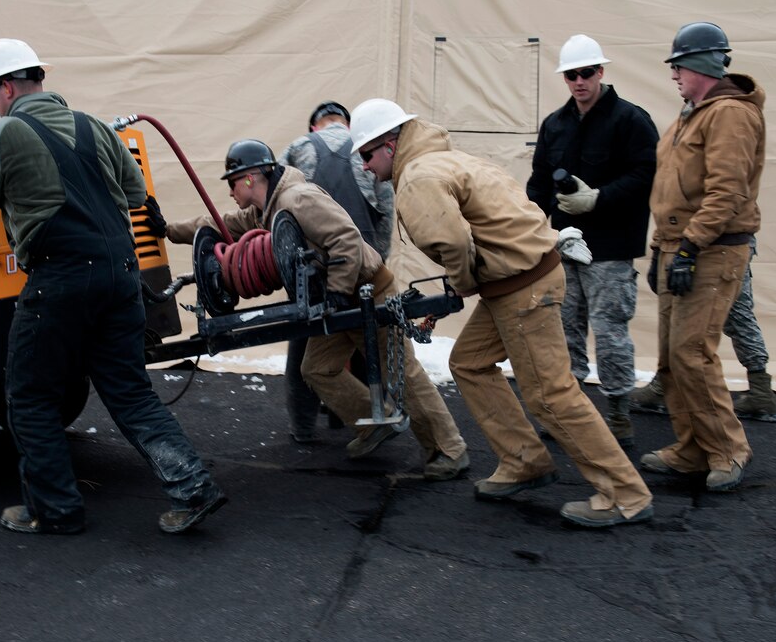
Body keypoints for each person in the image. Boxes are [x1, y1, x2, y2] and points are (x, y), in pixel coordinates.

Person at [0, 38, 226, 535]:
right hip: (122, 277)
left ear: (7, 87)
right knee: (130, 393)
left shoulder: (1, 134)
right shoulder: (95, 127)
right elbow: (136, 192)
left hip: (59, 278)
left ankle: (55, 510)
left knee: (31, 396)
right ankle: (193, 487)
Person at [348, 97, 653, 529]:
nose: (364, 166)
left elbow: (452, 241)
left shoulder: (418, 176)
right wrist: (471, 279)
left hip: (521, 288)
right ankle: (524, 461)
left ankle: (625, 494)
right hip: (523, 279)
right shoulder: (447, 159)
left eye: (366, 154)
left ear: (390, 145)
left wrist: (463, 279)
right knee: (469, 362)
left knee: (551, 395)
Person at [163, 139, 469, 480]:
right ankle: (374, 422)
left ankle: (448, 451)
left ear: (250, 178)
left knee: (401, 371)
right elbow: (222, 224)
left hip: (367, 291)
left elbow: (346, 239)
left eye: (233, 181)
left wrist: (338, 290)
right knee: (318, 369)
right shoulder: (265, 209)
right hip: (337, 296)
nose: (231, 190)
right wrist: (167, 230)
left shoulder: (298, 199)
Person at [639, 22, 761, 492]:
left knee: (694, 353)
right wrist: (659, 251)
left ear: (701, 64)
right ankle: (692, 447)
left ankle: (728, 449)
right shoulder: (693, 114)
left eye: (678, 66)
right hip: (679, 249)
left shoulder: (730, 114)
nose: (673, 74)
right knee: (672, 356)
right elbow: (671, 191)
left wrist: (690, 247)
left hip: (712, 251)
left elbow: (727, 191)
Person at [526, 35, 659, 448]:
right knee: (564, 332)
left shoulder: (631, 121)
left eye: (587, 72)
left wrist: (599, 198)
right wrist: (529, 229)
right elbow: (540, 184)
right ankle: (570, 412)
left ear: (601, 71)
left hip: (610, 249)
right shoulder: (555, 125)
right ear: (564, 78)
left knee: (610, 331)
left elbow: (646, 176)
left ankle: (618, 413)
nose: (580, 81)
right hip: (565, 245)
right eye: (572, 74)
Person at [277, 100, 396, 442]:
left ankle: (302, 428)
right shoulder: (365, 148)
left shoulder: (299, 147)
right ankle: (354, 423)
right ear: (346, 124)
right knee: (365, 345)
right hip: (362, 266)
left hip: (311, 270)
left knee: (305, 346)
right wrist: (375, 262)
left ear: (314, 126)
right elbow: (386, 211)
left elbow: (276, 208)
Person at [630, 238, 776, 422]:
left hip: (713, 247)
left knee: (695, 314)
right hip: (711, 244)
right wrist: (659, 250)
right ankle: (760, 391)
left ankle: (760, 393)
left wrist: (684, 251)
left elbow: (711, 213)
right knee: (732, 316)